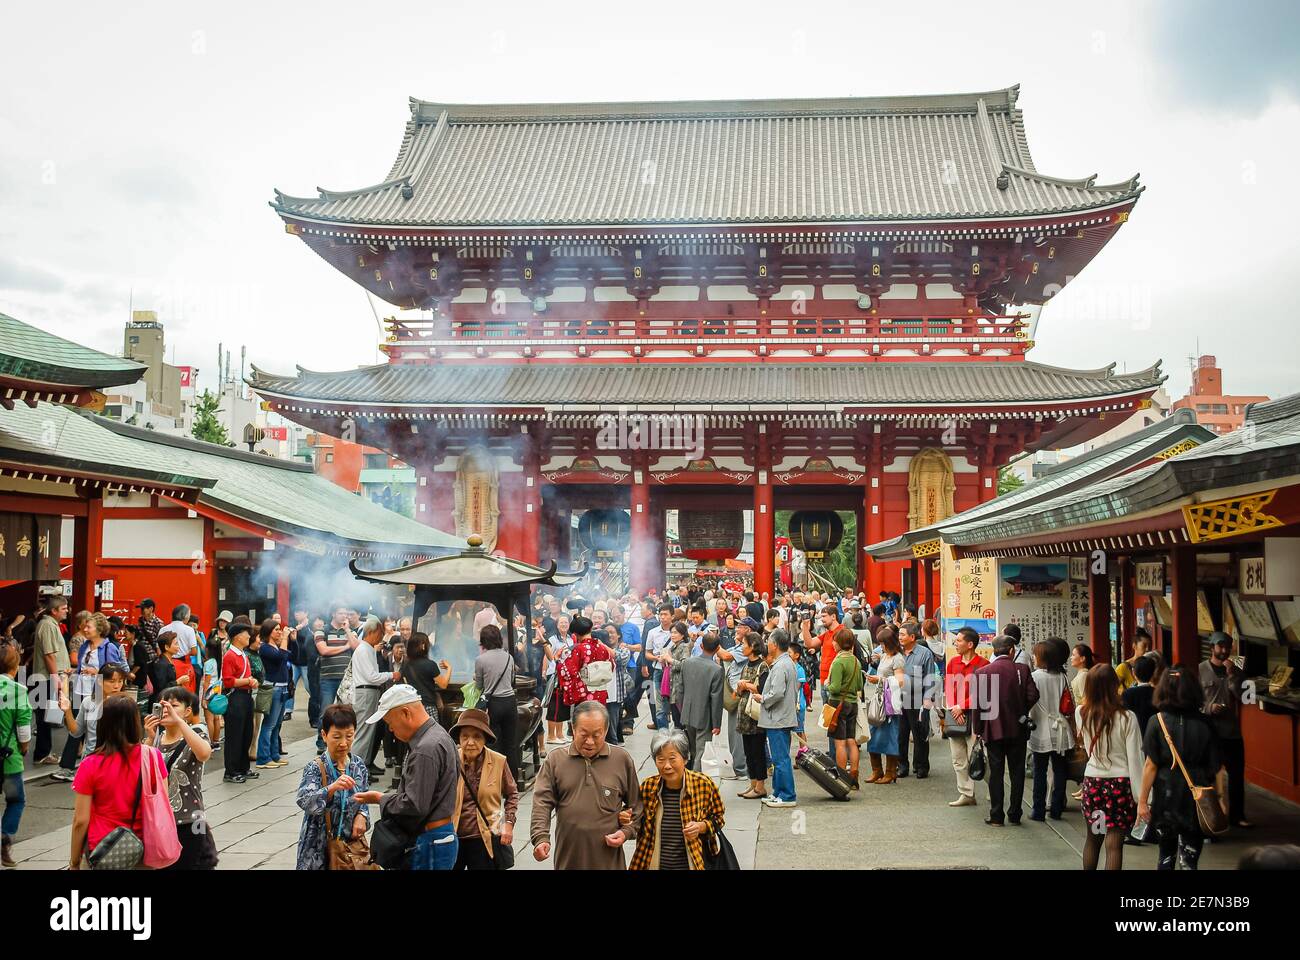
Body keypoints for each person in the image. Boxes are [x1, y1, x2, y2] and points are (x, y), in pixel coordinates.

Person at [354, 685, 461, 870]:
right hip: (438, 836)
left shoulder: (425, 748)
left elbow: (414, 804)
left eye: (390, 722)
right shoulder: (437, 735)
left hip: (430, 840)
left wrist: (380, 799)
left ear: (405, 713)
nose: (391, 729)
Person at [530, 700, 641, 869]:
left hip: (608, 860)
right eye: (583, 734)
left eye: (596, 735)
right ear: (573, 729)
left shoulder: (621, 760)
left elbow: (637, 806)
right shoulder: (556, 760)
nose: (589, 741)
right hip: (569, 858)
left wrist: (626, 832)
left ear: (605, 731)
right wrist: (540, 837)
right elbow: (542, 802)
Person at [69, 696, 168, 870]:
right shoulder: (153, 757)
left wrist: (74, 862)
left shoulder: (90, 764)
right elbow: (163, 804)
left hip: (101, 851)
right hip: (142, 849)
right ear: (135, 722)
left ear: (103, 723)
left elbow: (80, 820)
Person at [1137, 665, 1219, 871]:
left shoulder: (1156, 722)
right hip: (1196, 794)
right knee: (1189, 858)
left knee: (1165, 855)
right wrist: (1219, 797)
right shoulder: (1207, 723)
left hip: (1166, 795)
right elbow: (1216, 765)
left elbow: (1150, 765)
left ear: (1163, 689)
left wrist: (1142, 801)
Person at [1078, 663, 1145, 870]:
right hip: (1120, 785)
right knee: (1114, 844)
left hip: (1093, 782)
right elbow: (1135, 759)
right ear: (1114, 685)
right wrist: (1142, 797)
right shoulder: (1128, 717)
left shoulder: (1081, 713)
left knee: (1093, 838)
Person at [628, 729, 726, 870]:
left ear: (685, 758)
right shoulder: (648, 787)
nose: (667, 766)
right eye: (660, 759)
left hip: (693, 863)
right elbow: (636, 820)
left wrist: (701, 827)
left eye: (672, 759)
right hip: (652, 863)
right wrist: (627, 818)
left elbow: (718, 818)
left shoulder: (703, 784)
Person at [145, 686, 218, 870]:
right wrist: (148, 739)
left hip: (190, 819)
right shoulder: (155, 739)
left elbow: (204, 753)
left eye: (174, 705)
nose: (167, 709)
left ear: (187, 711)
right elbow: (140, 774)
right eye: (164, 704)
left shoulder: (197, 733)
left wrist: (178, 721)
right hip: (160, 821)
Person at [294, 703, 371, 870]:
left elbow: (363, 798)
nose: (344, 743)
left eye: (349, 736)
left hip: (349, 847)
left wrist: (362, 815)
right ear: (324, 735)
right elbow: (304, 800)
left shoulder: (358, 766)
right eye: (337, 737)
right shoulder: (316, 767)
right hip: (318, 848)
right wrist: (332, 788)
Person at [974, 635, 1039, 826]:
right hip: (1017, 728)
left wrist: (977, 729)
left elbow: (978, 706)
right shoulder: (1022, 670)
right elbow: (1033, 695)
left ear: (994, 651)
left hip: (992, 728)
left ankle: (996, 815)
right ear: (1011, 650)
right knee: (1017, 771)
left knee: (996, 772)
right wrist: (1020, 711)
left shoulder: (982, 672)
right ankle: (1015, 813)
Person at [450, 708, 519, 870]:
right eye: (465, 736)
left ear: (485, 739)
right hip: (453, 837)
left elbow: (512, 794)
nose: (470, 742)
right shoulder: (450, 759)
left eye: (477, 736)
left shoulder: (498, 761)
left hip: (485, 837)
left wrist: (508, 823)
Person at [1199, 632, 1250, 828]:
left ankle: (1238, 816)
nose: (1224, 650)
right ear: (1211, 648)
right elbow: (1193, 701)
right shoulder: (1200, 670)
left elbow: (1245, 697)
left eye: (1227, 647)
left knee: (1237, 776)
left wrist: (1232, 676)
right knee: (1209, 776)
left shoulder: (1236, 671)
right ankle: (1211, 817)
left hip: (1232, 732)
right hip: (1210, 733)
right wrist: (1208, 709)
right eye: (1220, 647)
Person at [52, 663, 130, 783]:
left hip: (115, 763)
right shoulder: (88, 702)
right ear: (99, 681)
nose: (117, 686)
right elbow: (76, 732)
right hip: (90, 761)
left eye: (120, 681)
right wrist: (67, 710)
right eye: (112, 681)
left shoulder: (125, 705)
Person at [1028, 639, 1074, 822]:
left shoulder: (1035, 677)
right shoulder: (1062, 677)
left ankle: (1038, 810)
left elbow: (1030, 702)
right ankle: (1056, 808)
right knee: (1060, 770)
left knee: (1039, 771)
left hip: (1041, 727)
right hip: (1061, 727)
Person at [943, 626, 988, 805]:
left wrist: (962, 706)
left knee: (977, 755)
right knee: (958, 758)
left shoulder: (983, 664)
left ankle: (993, 790)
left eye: (959, 640)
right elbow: (948, 686)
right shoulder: (953, 662)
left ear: (970, 644)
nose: (956, 643)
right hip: (955, 715)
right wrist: (954, 708)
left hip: (976, 716)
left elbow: (982, 692)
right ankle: (967, 794)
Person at [351, 616, 401, 775]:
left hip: (370, 692)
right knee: (364, 732)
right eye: (379, 633)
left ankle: (363, 767)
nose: (381, 637)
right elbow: (371, 676)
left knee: (368, 731)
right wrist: (391, 675)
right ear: (371, 632)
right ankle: (355, 770)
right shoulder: (364, 649)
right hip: (365, 692)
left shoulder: (368, 649)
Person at [755, 629, 798, 808]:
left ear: (775, 645)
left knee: (780, 759)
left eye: (769, 642)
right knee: (779, 757)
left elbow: (777, 692)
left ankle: (787, 795)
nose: (767, 644)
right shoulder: (785, 662)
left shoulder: (781, 665)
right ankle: (779, 792)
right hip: (780, 717)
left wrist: (763, 698)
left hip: (778, 717)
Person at [472, 623, 521, 779]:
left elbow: (479, 685)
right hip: (510, 702)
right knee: (511, 743)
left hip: (493, 703)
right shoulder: (509, 657)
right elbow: (512, 680)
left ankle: (494, 778)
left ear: (483, 641)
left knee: (493, 742)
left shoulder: (480, 660)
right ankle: (511, 779)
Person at [1, 645, 32, 866]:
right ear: (15, 665)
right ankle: (5, 838)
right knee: (16, 800)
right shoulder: (18, 691)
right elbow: (23, 731)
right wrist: (24, 748)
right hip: (9, 759)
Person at [30, 594, 70, 767]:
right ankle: (42, 753)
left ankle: (44, 752)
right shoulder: (47, 625)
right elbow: (49, 655)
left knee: (48, 716)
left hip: (48, 677)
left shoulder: (50, 624)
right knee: (45, 718)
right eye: (63, 608)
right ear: (54, 611)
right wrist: (56, 678)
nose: (66, 611)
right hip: (46, 678)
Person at [824, 626, 864, 788]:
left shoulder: (839, 661)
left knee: (839, 743)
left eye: (835, 641)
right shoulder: (856, 661)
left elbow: (834, 688)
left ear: (839, 643)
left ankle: (841, 778)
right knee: (851, 741)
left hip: (838, 704)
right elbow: (860, 684)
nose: (833, 643)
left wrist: (827, 684)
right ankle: (854, 776)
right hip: (852, 703)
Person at [866, 627, 907, 785]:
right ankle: (877, 770)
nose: (880, 646)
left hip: (890, 702)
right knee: (873, 736)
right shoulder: (884, 656)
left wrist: (880, 680)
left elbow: (900, 680)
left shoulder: (897, 658)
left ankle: (890, 772)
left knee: (889, 737)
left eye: (882, 643)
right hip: (879, 699)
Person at [896, 621, 937, 779]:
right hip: (898, 699)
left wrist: (928, 700)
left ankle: (921, 766)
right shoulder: (897, 653)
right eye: (899, 634)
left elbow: (930, 677)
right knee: (901, 735)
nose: (899, 637)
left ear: (912, 637)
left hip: (917, 700)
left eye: (902, 635)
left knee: (920, 734)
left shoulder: (924, 653)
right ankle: (902, 766)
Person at [679, 632, 724, 771]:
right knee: (701, 751)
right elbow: (716, 698)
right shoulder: (716, 669)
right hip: (704, 715)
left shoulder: (687, 663)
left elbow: (680, 689)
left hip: (687, 711)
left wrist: (682, 709)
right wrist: (716, 723)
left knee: (692, 749)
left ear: (701, 645)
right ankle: (695, 782)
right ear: (717, 649)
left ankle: (689, 776)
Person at [221, 623, 259, 784]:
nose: (249, 637)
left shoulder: (242, 654)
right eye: (246, 634)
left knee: (246, 733)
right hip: (236, 697)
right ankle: (231, 771)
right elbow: (228, 681)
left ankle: (243, 767)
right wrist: (248, 681)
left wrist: (251, 681)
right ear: (237, 636)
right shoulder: (230, 655)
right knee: (234, 735)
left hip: (246, 696)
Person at [256, 618, 294, 770]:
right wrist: (285, 638)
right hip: (274, 688)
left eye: (280, 629)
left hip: (283, 688)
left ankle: (274, 755)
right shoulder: (265, 648)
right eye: (276, 629)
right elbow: (281, 658)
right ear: (269, 632)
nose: (279, 632)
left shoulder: (276, 646)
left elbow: (292, 655)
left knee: (277, 724)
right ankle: (263, 758)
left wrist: (293, 640)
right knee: (269, 724)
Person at [399, 632, 450, 716]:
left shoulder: (406, 665)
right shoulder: (430, 664)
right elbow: (443, 685)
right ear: (423, 646)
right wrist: (449, 668)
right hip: (428, 707)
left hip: (412, 707)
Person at [542, 615, 572, 744]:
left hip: (566, 675)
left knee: (563, 704)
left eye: (566, 622)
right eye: (561, 622)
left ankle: (560, 734)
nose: (564, 624)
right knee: (554, 704)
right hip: (554, 675)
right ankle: (551, 736)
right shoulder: (553, 639)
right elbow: (547, 656)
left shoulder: (570, 639)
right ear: (557, 624)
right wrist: (544, 671)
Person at [1121, 655, 1158, 736]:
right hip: (1155, 735)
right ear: (1153, 673)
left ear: (1133, 672)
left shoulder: (1127, 694)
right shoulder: (1158, 693)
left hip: (1134, 735)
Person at [146, 631, 180, 710]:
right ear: (167, 647)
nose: (178, 646)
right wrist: (178, 682)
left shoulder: (167, 661)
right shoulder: (161, 664)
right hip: (159, 703)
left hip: (166, 700)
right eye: (176, 644)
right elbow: (161, 687)